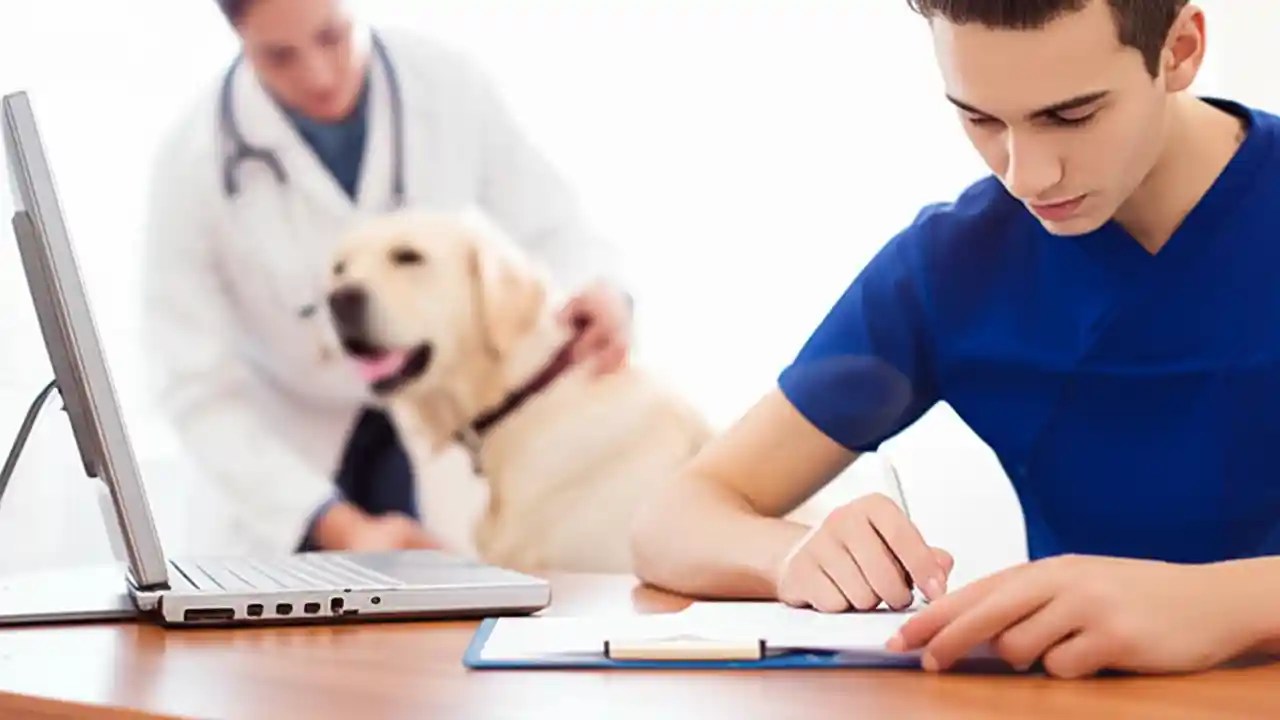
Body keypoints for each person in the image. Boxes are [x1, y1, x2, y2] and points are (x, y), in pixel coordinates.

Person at [630, 0, 1280, 679]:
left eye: (1072, 115)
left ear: (1179, 51)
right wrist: (789, 555)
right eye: (981, 118)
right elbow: (671, 521)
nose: (1026, 176)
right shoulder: (954, 266)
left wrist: (1215, 605)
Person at [142, 0, 632, 556]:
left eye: (332, 36)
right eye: (280, 56)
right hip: (293, 460)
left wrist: (600, 290)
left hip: (448, 430)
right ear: (236, 35)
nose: (319, 76)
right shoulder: (193, 163)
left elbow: (554, 228)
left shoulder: (443, 83)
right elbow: (194, 384)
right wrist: (334, 525)